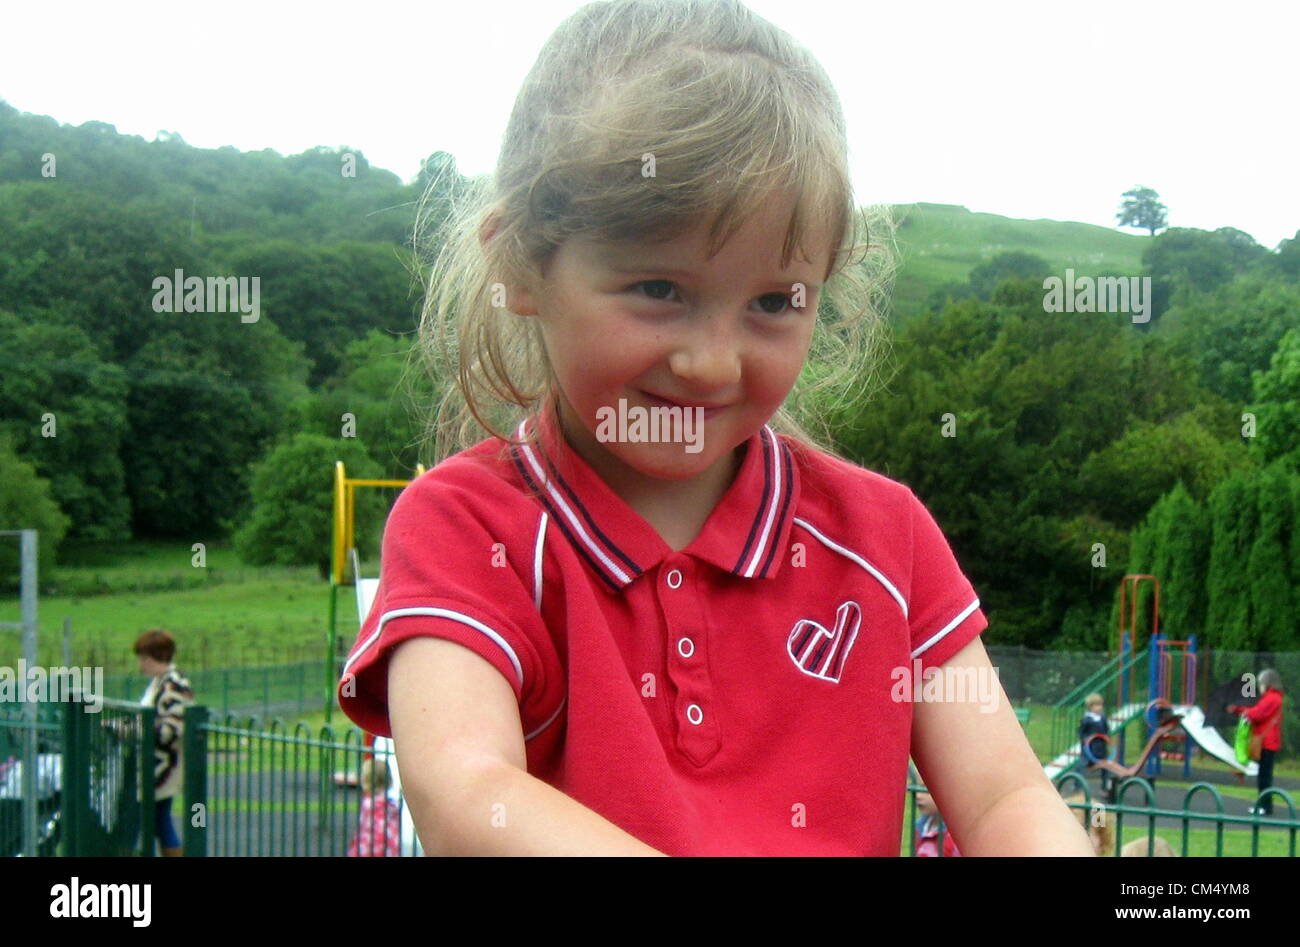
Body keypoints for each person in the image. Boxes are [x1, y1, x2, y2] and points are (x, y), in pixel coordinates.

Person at [338, 0, 1093, 856]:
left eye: (772, 302)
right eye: (660, 289)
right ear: (521, 264)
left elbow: (1003, 799)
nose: (712, 361)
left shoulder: (888, 541)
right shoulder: (466, 527)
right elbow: (468, 794)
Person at [134, 629, 194, 857]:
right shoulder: (161, 683)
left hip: (164, 765)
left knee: (159, 820)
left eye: (144, 658)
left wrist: (132, 730)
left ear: (156, 657)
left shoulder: (174, 685)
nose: (141, 665)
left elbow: (170, 729)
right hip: (156, 763)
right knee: (158, 820)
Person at [1228, 668, 1285, 816]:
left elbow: (1257, 714)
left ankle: (1265, 807)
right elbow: (1258, 711)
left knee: (1264, 777)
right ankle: (1265, 806)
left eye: (1261, 683)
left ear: (1267, 683)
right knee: (1264, 776)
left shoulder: (1272, 698)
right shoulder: (1273, 697)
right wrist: (1239, 710)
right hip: (1267, 741)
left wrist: (1242, 712)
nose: (1260, 687)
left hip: (1267, 742)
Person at [347, 756, 402, 857]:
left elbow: (365, 830)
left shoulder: (368, 803)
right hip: (389, 849)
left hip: (369, 848)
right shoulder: (392, 805)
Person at [1077, 693, 1114, 799]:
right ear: (1090, 707)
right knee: (1081, 766)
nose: (1099, 707)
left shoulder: (1102, 718)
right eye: (1096, 705)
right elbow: (1081, 733)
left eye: (1100, 705)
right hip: (1089, 749)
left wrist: (1107, 738)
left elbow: (1106, 730)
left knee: (1106, 768)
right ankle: (1077, 786)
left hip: (1101, 748)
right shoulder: (1087, 719)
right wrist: (1086, 739)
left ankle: (1104, 788)